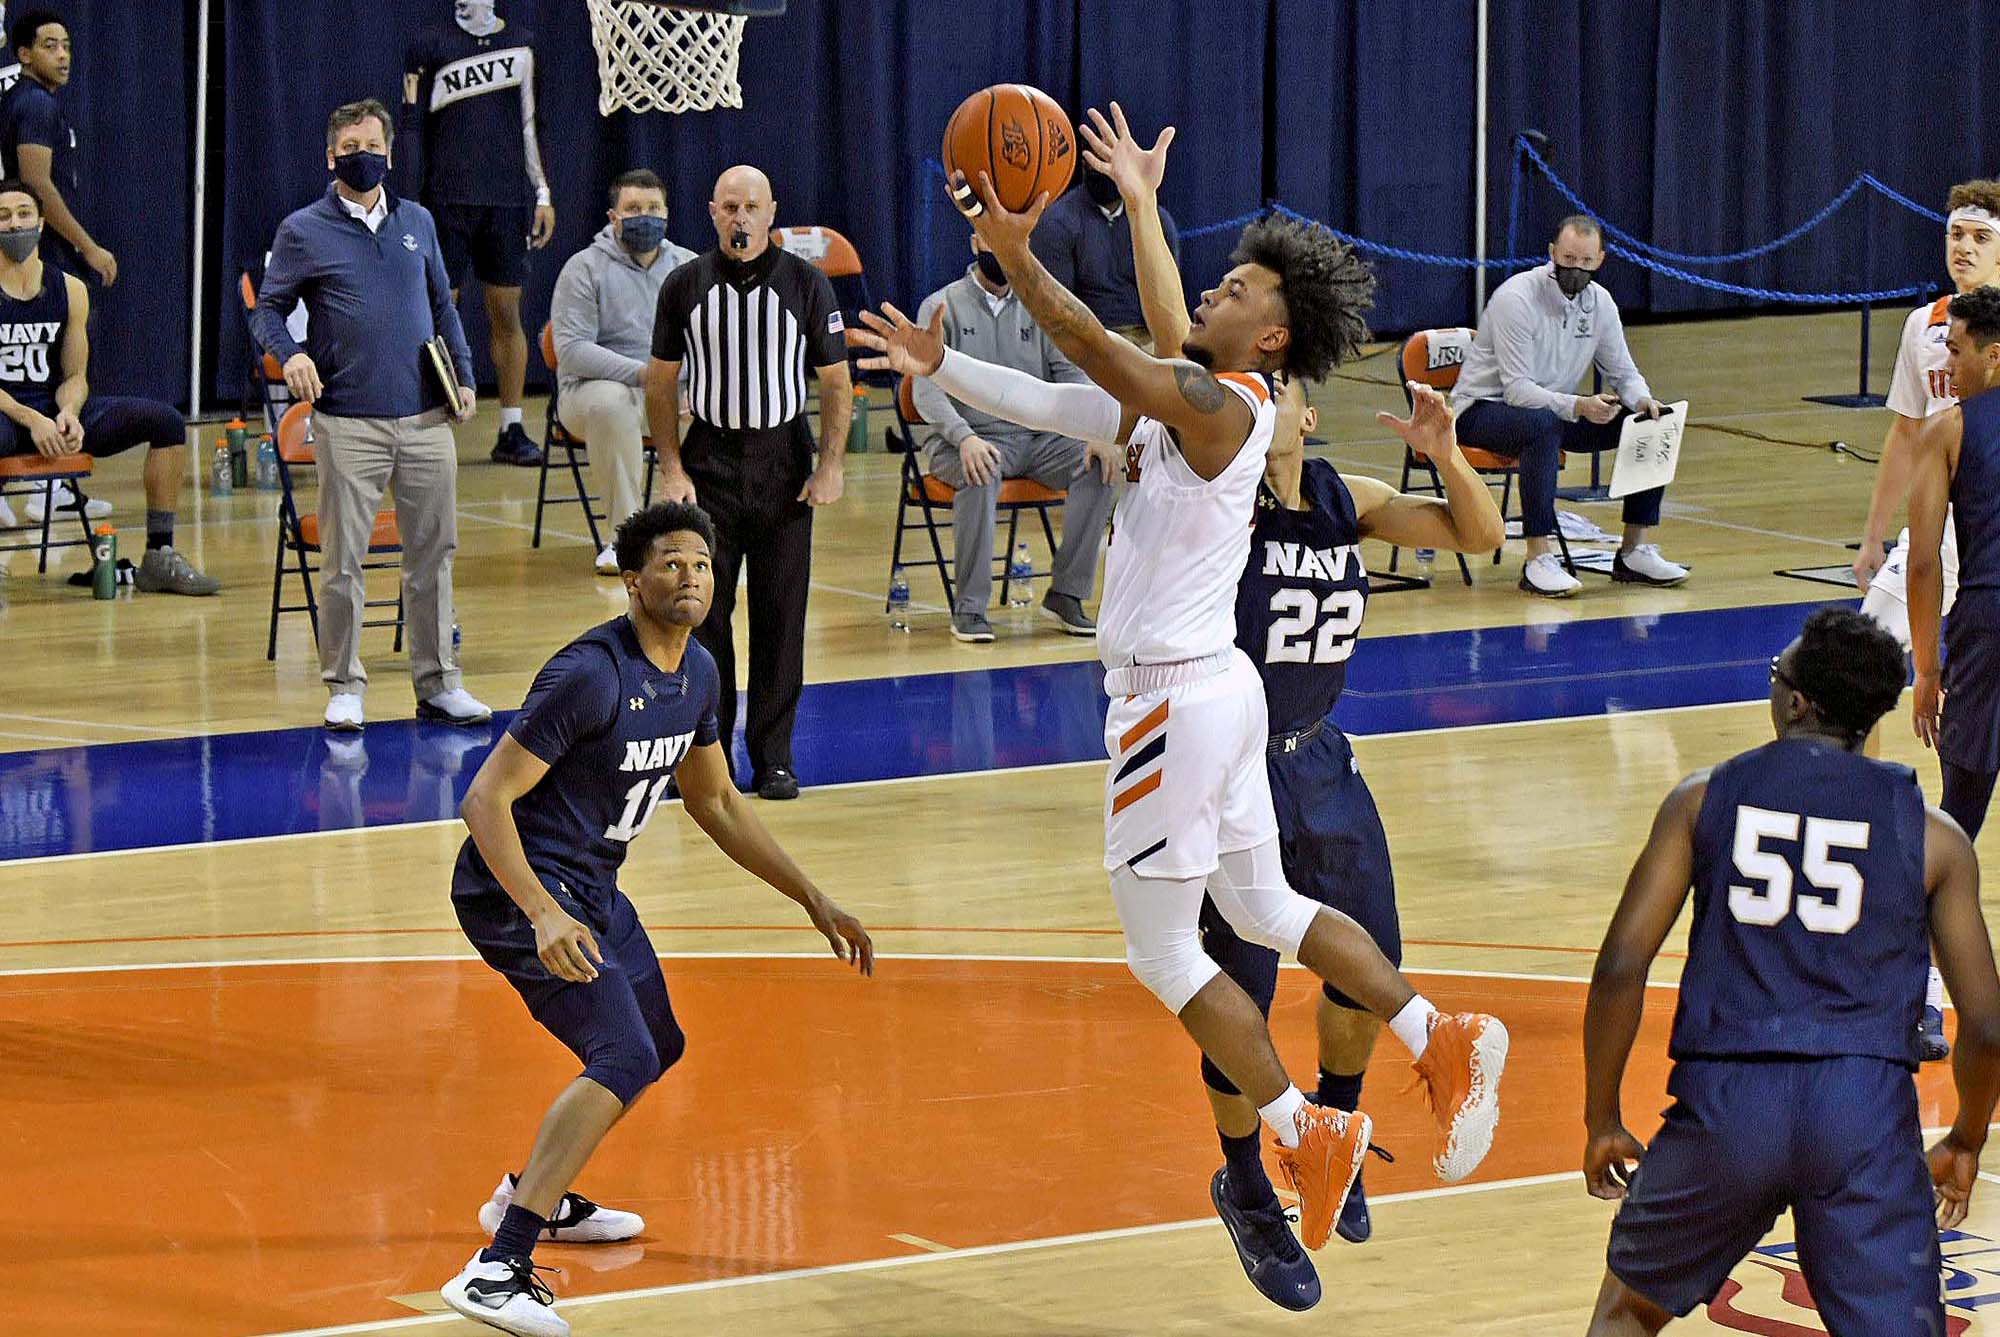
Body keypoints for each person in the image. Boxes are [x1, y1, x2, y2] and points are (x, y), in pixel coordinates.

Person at [855, 102, 1507, 1260]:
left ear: (1270, 341)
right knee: (1265, 912)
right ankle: (1434, 1031)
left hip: (1170, 698)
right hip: (1224, 698)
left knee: (1161, 951)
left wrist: (1015, 257)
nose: (1216, 287)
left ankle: (1304, 1127)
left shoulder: (1220, 412)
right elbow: (1074, 392)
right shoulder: (1195, 391)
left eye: (1242, 287)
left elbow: (1102, 350)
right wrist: (939, 359)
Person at [1093, 109, 1508, 1303]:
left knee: (1352, 966)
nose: (1277, 407)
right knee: (1232, 978)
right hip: (1220, 748)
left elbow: (1476, 540)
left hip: (1317, 755)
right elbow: (1177, 337)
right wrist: (1142, 206)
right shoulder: (1214, 474)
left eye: (1289, 395)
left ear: (1303, 406)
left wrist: (1444, 452)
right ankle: (1249, 1176)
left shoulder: (1345, 495)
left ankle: (1336, 1124)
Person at [437, 502, 874, 1337]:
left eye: (703, 564)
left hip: (594, 887)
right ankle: (499, 1267)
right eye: (671, 564)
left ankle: (532, 1194)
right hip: (518, 890)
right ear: (632, 580)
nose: (692, 577)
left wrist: (813, 897)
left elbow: (714, 800)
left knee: (658, 1043)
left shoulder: (701, 671)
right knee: (622, 1052)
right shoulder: (591, 675)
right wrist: (540, 913)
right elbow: (483, 798)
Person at [1580, 607, 2000, 1335]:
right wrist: (1966, 1135)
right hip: (1861, 1109)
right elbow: (1988, 1025)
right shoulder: (1936, 836)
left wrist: (1602, 1116)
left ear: (1797, 701)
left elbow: (1621, 966)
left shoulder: (1702, 798)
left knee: (1628, 1310)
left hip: (1729, 1100)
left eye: (1777, 676)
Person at [251, 98, 488, 734]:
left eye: (374, 144)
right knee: (343, 561)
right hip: (347, 422)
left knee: (434, 555)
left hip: (426, 418)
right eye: (352, 146)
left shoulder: (417, 221)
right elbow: (266, 311)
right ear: (332, 157)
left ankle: (439, 683)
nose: (365, 155)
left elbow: (443, 306)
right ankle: (344, 684)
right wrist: (291, 354)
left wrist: (464, 378)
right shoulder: (303, 229)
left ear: (389, 152)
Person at [1851, 180, 2000, 1062]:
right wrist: (1875, 536)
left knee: (1956, 819)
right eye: (1956, 233)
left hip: (1975, 607)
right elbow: (1903, 442)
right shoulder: (1924, 332)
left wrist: (1932, 669)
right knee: (1853, 666)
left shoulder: (1963, 420)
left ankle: (1917, 992)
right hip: (1943, 561)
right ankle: (1857, 803)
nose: (1963, 245)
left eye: (1980, 233)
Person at [644, 165, 849, 801]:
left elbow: (836, 383)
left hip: (784, 461)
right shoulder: (684, 286)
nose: (740, 218)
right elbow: (659, 380)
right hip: (707, 464)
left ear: (771, 213)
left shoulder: (808, 286)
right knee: (703, 618)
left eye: (751, 207)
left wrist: (831, 463)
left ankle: (774, 758)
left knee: (782, 616)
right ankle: (707, 760)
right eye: (729, 206)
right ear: (711, 213)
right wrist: (672, 467)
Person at [0, 177, 214, 594]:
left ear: (42, 224)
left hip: (49, 407)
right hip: (7, 411)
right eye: (4, 217)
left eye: (24, 214)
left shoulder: (70, 290)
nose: (14, 224)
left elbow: (75, 375)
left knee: (166, 421)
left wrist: (67, 414)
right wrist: (32, 420)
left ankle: (159, 554)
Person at [1451, 216, 1683, 597]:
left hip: (1556, 409)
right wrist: (1578, 405)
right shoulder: (1516, 299)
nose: (1576, 268)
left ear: (1600, 260)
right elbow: (1517, 391)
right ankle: (1538, 557)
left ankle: (1634, 550)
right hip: (1481, 410)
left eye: (1586, 261)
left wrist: (1642, 399)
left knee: (1652, 421)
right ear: (1552, 253)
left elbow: (1624, 372)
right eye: (1569, 257)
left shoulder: (1600, 304)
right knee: (1541, 426)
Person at [912, 228, 1116, 641]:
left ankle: (1066, 594)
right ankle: (969, 608)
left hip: (1034, 442)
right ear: (974, 244)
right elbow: (925, 391)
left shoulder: (1040, 306)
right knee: (980, 468)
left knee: (1100, 463)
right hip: (963, 440)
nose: (1001, 252)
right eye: (992, 242)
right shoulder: (940, 306)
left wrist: (1097, 430)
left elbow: (1071, 374)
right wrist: (964, 436)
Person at [402, 0, 554, 467]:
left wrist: (543, 193)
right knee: (435, 314)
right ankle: (429, 423)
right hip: (444, 200)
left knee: (507, 312)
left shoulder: (524, 43)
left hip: (506, 201)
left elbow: (532, 124)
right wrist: (409, 200)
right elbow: (411, 127)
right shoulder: (428, 44)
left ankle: (511, 426)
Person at [550, 168, 696, 575]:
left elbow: (708, 342)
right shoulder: (583, 269)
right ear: (613, 217)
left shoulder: (687, 267)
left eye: (653, 208)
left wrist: (694, 388)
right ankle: (626, 540)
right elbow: (573, 351)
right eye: (633, 208)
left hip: (670, 390)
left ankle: (699, 542)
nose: (644, 216)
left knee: (720, 407)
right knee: (611, 405)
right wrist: (646, 375)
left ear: (666, 216)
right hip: (593, 392)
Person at [1910, 287, 2000, 847]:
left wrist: (1925, 670)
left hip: (1988, 620)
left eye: (1957, 350)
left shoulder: (1948, 428)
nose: (1947, 363)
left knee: (1957, 819)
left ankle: (1920, 930)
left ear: (1994, 357)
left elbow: (1923, 564)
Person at [0, 11, 111, 288]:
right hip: (42, 252)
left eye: (66, 46)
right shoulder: (37, 104)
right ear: (25, 55)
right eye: (50, 46)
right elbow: (35, 183)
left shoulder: (23, 99)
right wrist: (89, 247)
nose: (62, 55)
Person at [1030, 158, 1179, 348]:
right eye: (1092, 163)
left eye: (1107, 162)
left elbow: (1170, 303)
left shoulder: (1157, 222)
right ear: (1083, 165)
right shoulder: (1058, 222)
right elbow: (1058, 310)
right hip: (1092, 342)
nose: (1099, 170)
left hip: (1150, 339)